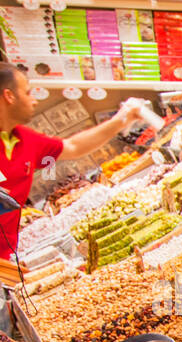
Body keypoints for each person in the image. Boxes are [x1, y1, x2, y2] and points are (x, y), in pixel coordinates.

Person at [0, 62, 150, 260]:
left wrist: (122, 119)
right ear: (9, 96)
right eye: (28, 93)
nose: (34, 100)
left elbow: (74, 147)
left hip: (8, 257)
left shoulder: (22, 138)